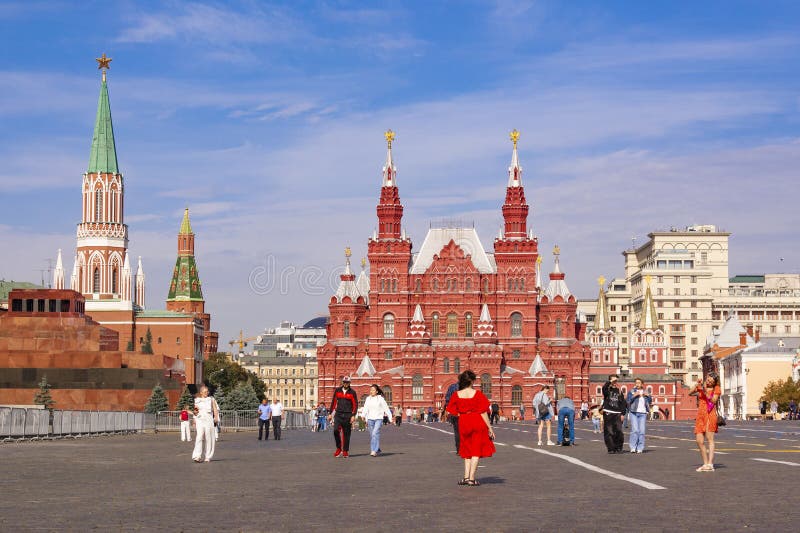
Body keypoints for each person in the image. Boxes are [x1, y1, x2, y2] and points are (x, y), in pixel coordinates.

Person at [446, 370, 496, 486]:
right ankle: (471, 479)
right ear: (472, 381)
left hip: (464, 422)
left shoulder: (456, 395)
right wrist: (490, 428)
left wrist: (462, 415)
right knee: (476, 451)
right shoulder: (477, 394)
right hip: (477, 421)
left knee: (466, 450)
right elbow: (483, 412)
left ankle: (465, 477)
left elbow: (451, 410)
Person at [690, 373, 722, 472]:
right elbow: (690, 393)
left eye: (711, 381)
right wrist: (697, 385)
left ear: (714, 382)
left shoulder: (716, 389)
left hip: (710, 415)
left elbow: (713, 400)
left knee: (710, 439)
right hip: (700, 416)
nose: (709, 382)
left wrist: (704, 390)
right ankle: (705, 463)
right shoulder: (701, 386)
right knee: (699, 441)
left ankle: (710, 464)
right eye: (708, 380)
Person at [328, 376, 358, 458]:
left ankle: (345, 451)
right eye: (344, 382)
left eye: (347, 382)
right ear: (342, 382)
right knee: (336, 431)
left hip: (348, 415)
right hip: (338, 414)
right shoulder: (337, 391)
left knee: (346, 434)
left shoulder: (352, 392)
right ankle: (338, 448)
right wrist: (330, 413)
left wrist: (353, 415)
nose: (345, 383)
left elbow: (355, 405)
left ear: (349, 383)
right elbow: (334, 402)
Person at [363, 384, 393, 456]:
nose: (371, 391)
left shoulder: (380, 399)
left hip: (378, 418)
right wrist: (363, 415)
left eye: (373, 390)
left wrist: (390, 417)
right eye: (371, 390)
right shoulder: (368, 398)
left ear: (376, 391)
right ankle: (377, 448)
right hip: (370, 418)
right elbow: (365, 408)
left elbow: (386, 408)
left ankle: (374, 450)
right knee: (372, 435)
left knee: (374, 433)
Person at [192, 385, 219, 463]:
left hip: (208, 419)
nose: (206, 393)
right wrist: (195, 415)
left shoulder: (211, 399)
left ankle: (208, 456)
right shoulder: (197, 400)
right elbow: (196, 409)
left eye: (207, 391)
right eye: (205, 392)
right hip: (200, 419)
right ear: (201, 392)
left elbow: (215, 408)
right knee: (199, 437)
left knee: (209, 437)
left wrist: (216, 417)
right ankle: (197, 456)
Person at [601, 375, 627, 454]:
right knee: (609, 431)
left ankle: (618, 447)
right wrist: (610, 382)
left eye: (616, 380)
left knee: (619, 431)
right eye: (613, 380)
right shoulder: (607, 389)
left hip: (617, 413)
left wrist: (623, 413)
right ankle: (611, 448)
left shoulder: (619, 391)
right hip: (608, 412)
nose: (615, 382)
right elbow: (604, 388)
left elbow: (623, 403)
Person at [626, 378, 651, 454]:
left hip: (643, 413)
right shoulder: (631, 391)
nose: (637, 384)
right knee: (635, 430)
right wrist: (634, 395)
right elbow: (628, 401)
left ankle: (640, 448)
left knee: (642, 431)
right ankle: (633, 447)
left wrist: (648, 396)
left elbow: (650, 401)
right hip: (633, 412)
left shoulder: (646, 391)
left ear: (642, 384)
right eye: (636, 382)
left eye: (639, 383)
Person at [443, 382, 460, 453]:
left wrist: (449, 409)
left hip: (455, 412)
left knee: (457, 431)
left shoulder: (452, 386)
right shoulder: (468, 387)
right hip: (467, 413)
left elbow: (447, 399)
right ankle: (466, 448)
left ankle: (459, 449)